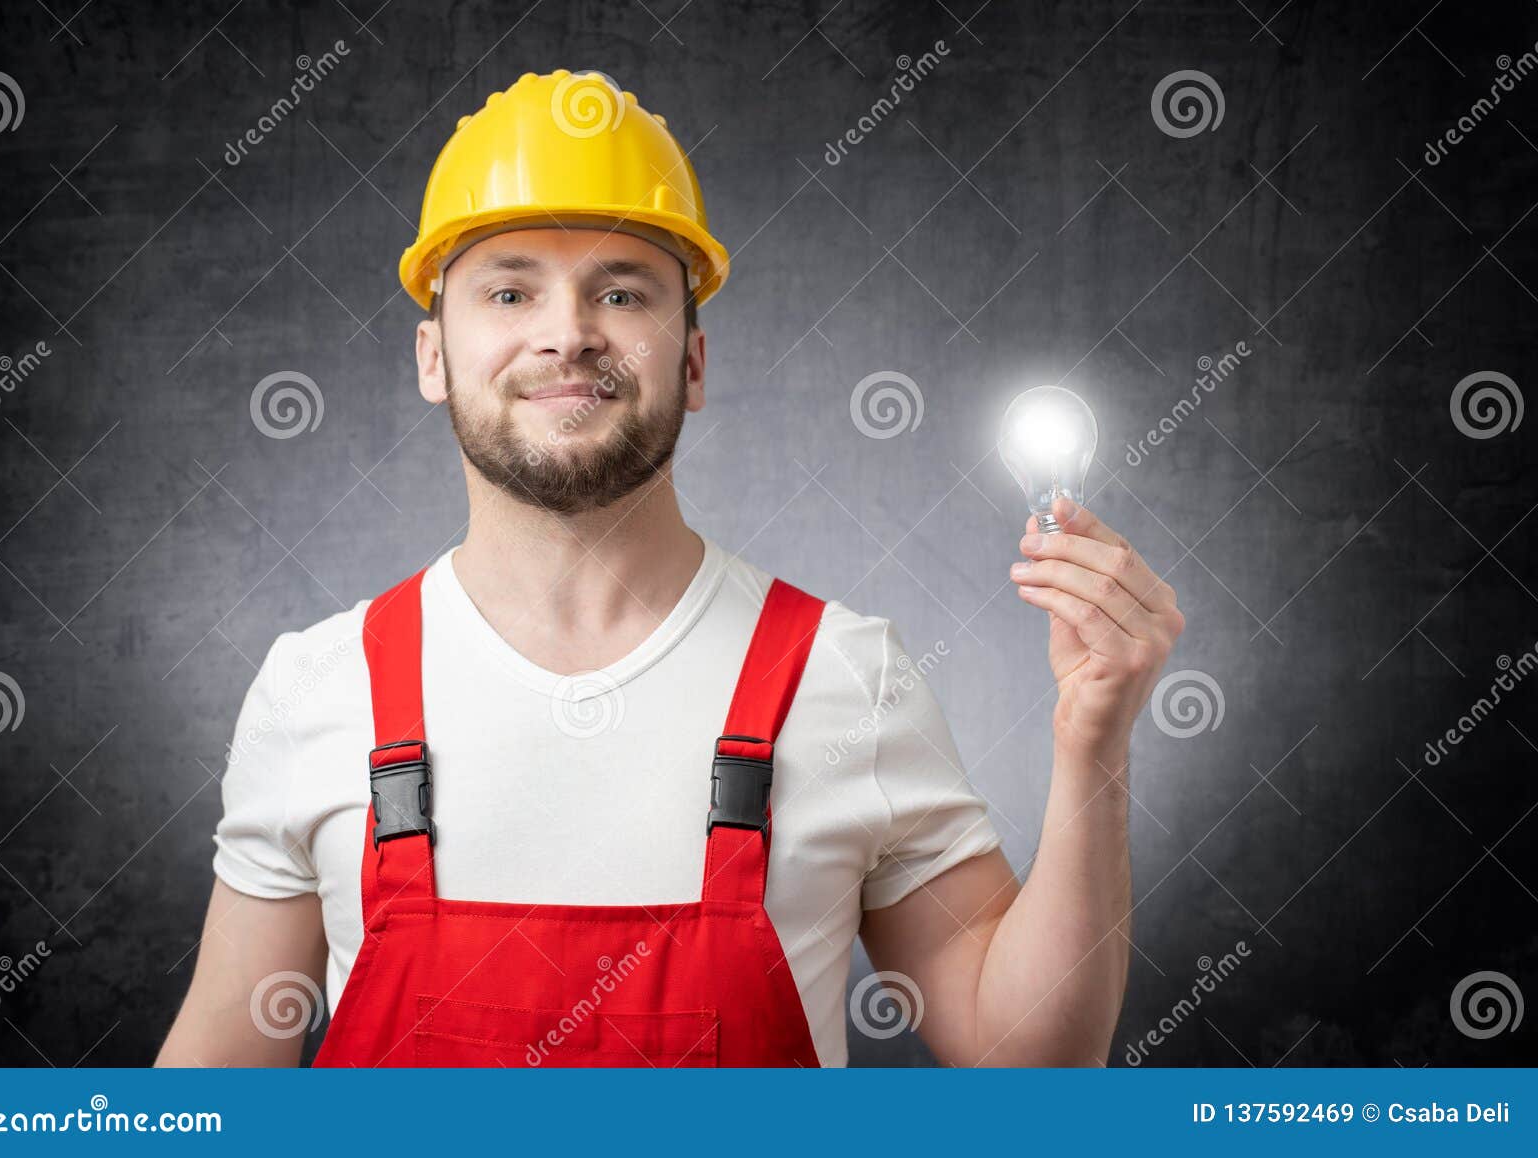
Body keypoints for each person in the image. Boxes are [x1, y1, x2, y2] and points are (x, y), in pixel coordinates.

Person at [156, 69, 1184, 1068]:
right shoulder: (316, 687)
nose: (567, 334)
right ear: (433, 357)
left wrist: (1092, 744)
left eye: (621, 292)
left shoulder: (846, 677)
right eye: (509, 291)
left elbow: (1031, 1065)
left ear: (692, 362)